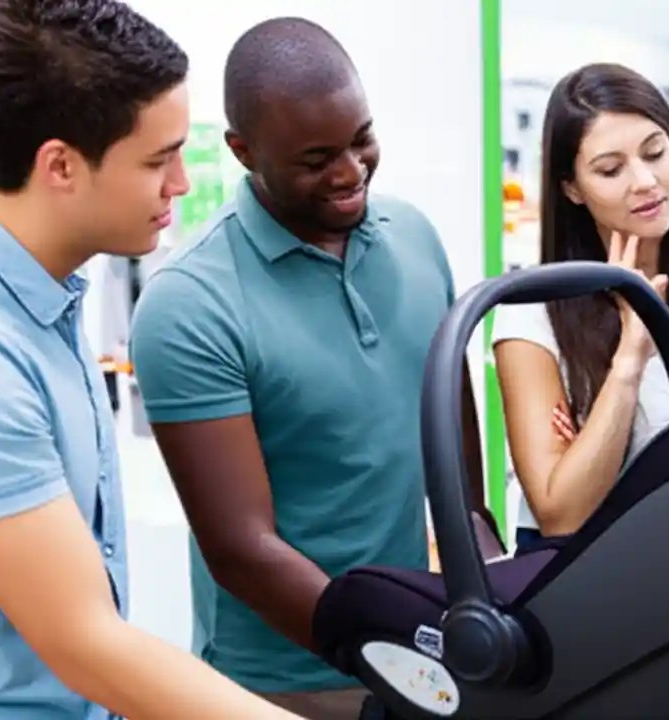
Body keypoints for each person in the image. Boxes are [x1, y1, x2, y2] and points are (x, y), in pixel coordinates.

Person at [0, 1, 294, 718]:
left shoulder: (39, 299)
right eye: (158, 159)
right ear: (59, 165)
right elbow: (85, 643)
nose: (180, 183)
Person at [128, 16, 501, 720]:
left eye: (362, 139)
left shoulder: (414, 236)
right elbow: (242, 549)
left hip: (420, 655)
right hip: (280, 682)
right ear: (243, 151)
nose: (350, 171)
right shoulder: (191, 303)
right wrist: (390, 647)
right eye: (315, 158)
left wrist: (481, 569)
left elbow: (450, 420)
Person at [491, 62, 669, 554]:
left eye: (655, 153)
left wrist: (589, 442)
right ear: (571, 188)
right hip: (587, 590)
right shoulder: (533, 313)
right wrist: (627, 366)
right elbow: (562, 512)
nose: (645, 181)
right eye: (610, 169)